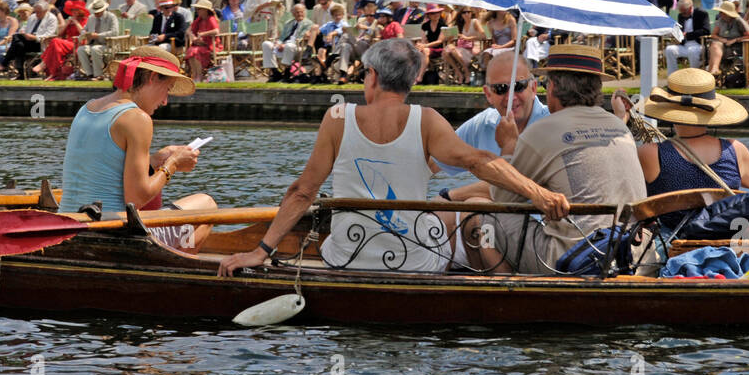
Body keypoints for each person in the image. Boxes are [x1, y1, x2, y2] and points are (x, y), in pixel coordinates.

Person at [218, 39, 563, 276]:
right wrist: (539, 194)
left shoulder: (336, 118)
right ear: (412, 80)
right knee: (471, 209)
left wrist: (261, 251)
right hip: (415, 263)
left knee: (463, 201)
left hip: (346, 260)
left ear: (373, 76)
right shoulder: (426, 120)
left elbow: (302, 193)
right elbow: (479, 162)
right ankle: (494, 284)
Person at [456, 44, 647, 276]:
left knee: (476, 217)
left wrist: (507, 148)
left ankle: (507, 295)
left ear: (553, 86)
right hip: (636, 255)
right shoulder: (619, 126)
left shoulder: (543, 130)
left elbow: (502, 200)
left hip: (577, 259)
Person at [58, 46, 215, 250]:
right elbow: (137, 197)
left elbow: (104, 167)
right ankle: (171, 274)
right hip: (113, 233)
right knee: (206, 204)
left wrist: (154, 160)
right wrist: (172, 164)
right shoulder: (138, 118)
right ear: (151, 78)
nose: (166, 101)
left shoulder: (87, 108)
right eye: (167, 89)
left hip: (67, 226)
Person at [615, 69, 749, 234]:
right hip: (725, 239)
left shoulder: (651, 153)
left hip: (675, 244)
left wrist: (621, 119)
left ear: (668, 107)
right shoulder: (735, 149)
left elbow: (621, 178)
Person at [435, 54, 549, 178]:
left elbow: (521, 185)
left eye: (519, 86)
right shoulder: (482, 124)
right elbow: (436, 161)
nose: (511, 97)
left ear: (533, 88)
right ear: (488, 94)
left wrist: (453, 195)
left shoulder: (552, 124)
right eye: (500, 88)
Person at [42, 0, 86, 81]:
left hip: (77, 43)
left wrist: (76, 23)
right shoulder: (69, 21)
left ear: (81, 11)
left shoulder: (85, 20)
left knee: (55, 42)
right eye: (72, 10)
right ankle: (55, 74)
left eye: (76, 10)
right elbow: (60, 34)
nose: (74, 12)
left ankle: (43, 64)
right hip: (66, 43)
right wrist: (67, 24)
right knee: (57, 48)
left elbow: (83, 33)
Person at [76, 0, 120, 80]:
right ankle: (89, 74)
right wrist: (84, 34)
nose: (95, 13)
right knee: (81, 50)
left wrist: (98, 35)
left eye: (98, 12)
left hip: (109, 45)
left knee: (95, 49)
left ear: (103, 10)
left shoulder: (111, 17)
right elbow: (84, 29)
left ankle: (98, 75)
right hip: (93, 44)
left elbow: (115, 32)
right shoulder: (91, 18)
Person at [666, 0, 710, 73]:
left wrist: (688, 35)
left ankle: (694, 76)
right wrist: (675, 33)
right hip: (685, 45)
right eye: (681, 12)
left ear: (690, 8)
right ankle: (672, 78)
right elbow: (681, 31)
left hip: (699, 44)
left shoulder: (701, 13)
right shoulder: (681, 16)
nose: (682, 14)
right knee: (669, 50)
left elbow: (706, 31)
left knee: (692, 51)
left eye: (684, 12)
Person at [706, 0, 748, 78]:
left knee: (714, 47)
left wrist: (735, 40)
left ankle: (711, 74)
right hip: (722, 46)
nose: (720, 14)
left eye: (722, 13)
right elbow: (714, 35)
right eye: (721, 12)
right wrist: (721, 39)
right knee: (715, 44)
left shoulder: (739, 21)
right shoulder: (720, 21)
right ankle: (714, 70)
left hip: (736, 47)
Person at [184, 0, 222, 81]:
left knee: (195, 51)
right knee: (191, 51)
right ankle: (195, 75)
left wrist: (203, 34)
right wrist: (192, 36)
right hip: (200, 45)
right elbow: (188, 30)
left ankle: (199, 75)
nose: (197, 11)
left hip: (211, 46)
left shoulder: (211, 19)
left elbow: (216, 31)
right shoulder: (199, 19)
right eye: (196, 9)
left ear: (205, 10)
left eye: (199, 9)